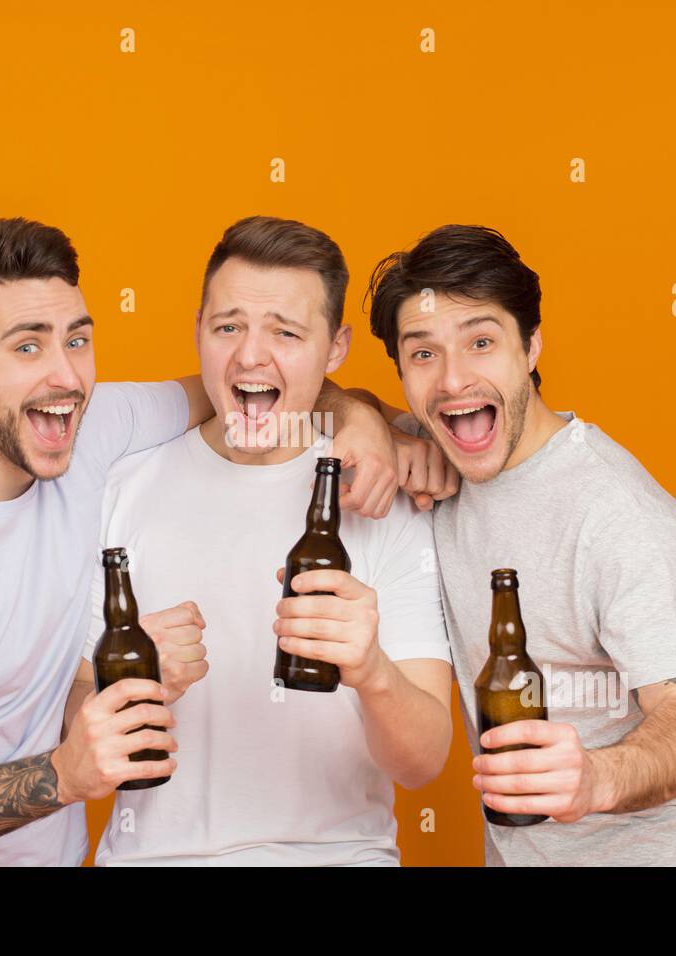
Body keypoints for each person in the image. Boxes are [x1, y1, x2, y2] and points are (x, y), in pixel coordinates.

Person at [0, 216, 398, 865]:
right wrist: (66, 774)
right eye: (26, 347)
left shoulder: (91, 428)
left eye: (77, 341)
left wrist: (362, 418)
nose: (65, 377)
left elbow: (254, 385)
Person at [73, 216, 454, 865]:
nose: (251, 356)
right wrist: (129, 680)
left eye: (285, 331)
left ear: (336, 349)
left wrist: (371, 673)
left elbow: (424, 764)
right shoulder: (120, 490)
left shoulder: (378, 496)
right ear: (198, 329)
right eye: (229, 327)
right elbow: (70, 727)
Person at [359, 223, 676, 866]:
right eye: (423, 354)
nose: (453, 381)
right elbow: (336, 397)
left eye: (482, 341)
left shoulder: (615, 510)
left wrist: (597, 777)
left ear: (531, 346)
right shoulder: (442, 450)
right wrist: (370, 430)